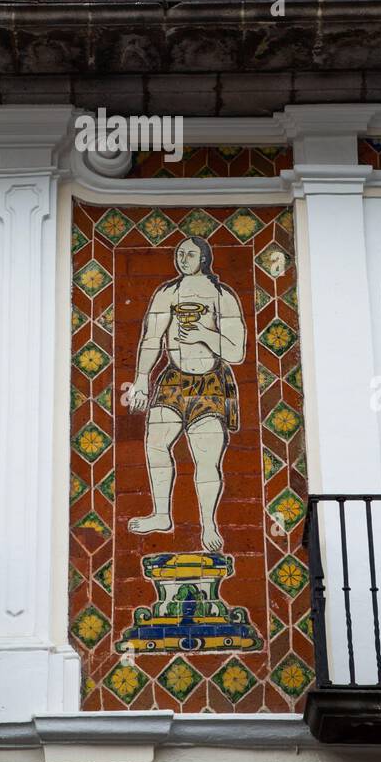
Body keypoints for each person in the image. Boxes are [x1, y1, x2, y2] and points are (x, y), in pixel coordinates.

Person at [126, 236, 246, 552]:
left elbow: (236, 351)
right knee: (155, 444)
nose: (183, 258)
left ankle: (208, 525)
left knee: (206, 460)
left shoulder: (222, 296)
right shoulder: (168, 293)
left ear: (204, 258)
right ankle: (162, 514)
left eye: (190, 254)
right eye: (179, 254)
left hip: (210, 384)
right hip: (173, 380)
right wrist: (140, 379)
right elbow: (152, 338)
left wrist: (204, 334)